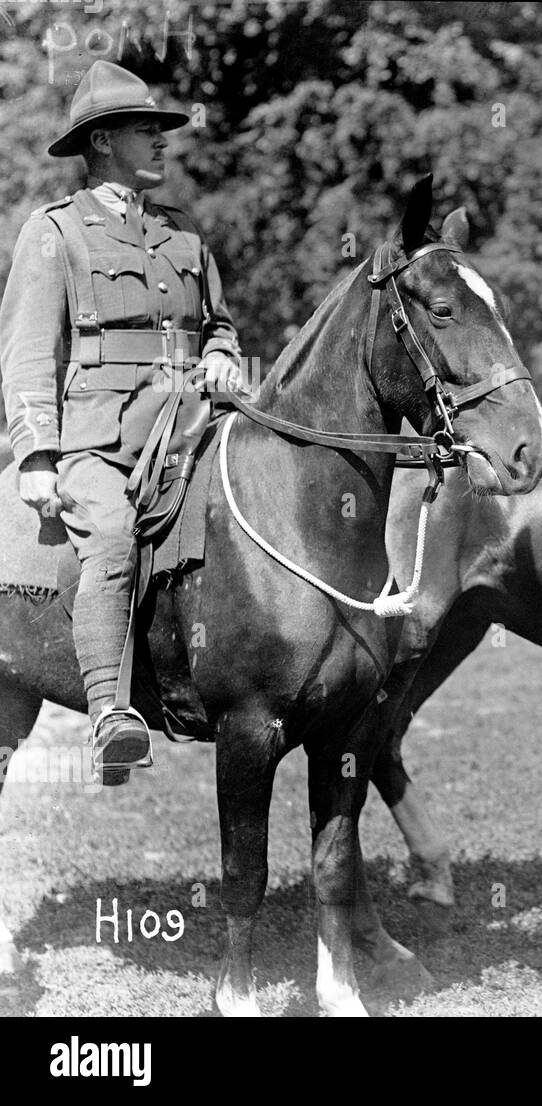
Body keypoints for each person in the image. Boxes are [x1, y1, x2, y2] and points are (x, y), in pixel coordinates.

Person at [0, 61, 243, 783]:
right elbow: (28, 353)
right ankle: (111, 714)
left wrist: (226, 356)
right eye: (148, 131)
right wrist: (36, 454)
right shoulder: (55, 232)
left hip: (189, 425)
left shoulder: (182, 233)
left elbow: (218, 325)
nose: (165, 143)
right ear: (103, 141)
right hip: (97, 438)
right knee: (109, 536)